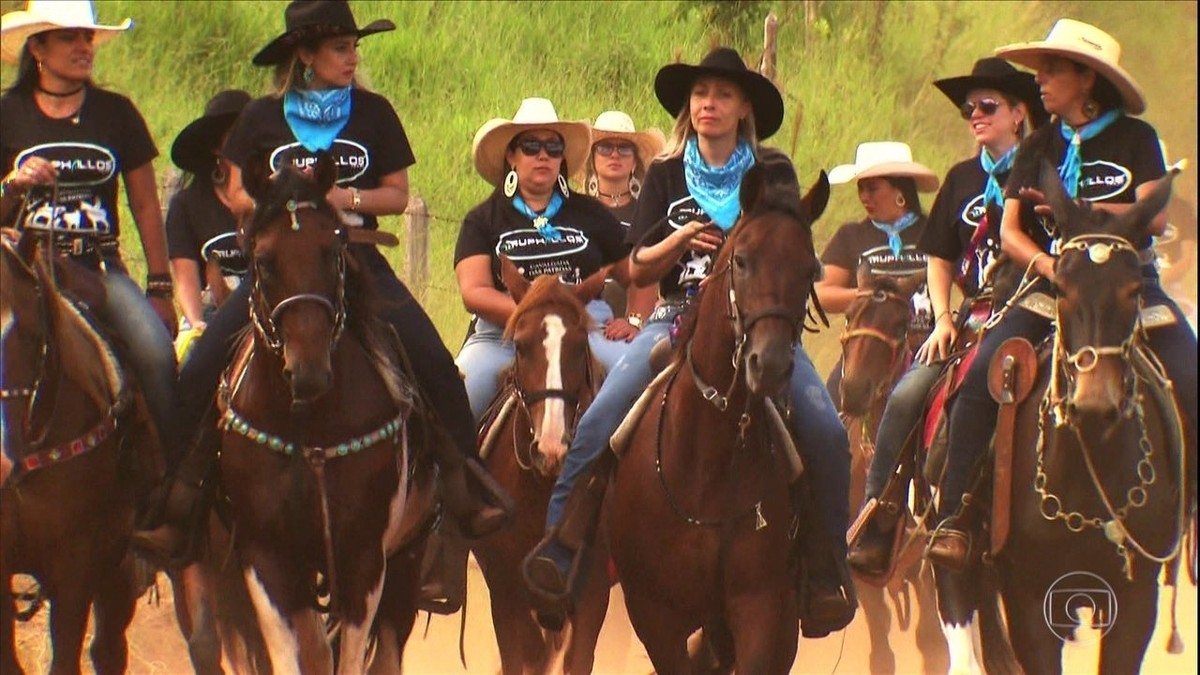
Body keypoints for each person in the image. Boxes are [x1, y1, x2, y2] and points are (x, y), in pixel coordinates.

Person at [133, 0, 506, 561]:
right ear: (305, 55)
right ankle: (178, 497)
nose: (352, 58)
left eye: (353, 47)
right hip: (284, 268)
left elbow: (397, 195)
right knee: (205, 360)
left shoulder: (373, 113)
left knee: (432, 358)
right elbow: (236, 193)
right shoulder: (262, 116)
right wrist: (291, 201)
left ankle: (463, 485)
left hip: (357, 260)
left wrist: (340, 197)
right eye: (340, 48)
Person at [526, 46, 857, 638]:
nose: (709, 104)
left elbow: (792, 246)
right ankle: (562, 547)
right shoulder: (665, 174)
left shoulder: (774, 171)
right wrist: (677, 240)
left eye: (723, 95)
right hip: (676, 315)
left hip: (761, 322)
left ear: (744, 107)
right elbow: (637, 267)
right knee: (601, 417)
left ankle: (826, 567)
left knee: (827, 433)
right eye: (701, 94)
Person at [925, 19, 1199, 569]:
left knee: (1189, 371)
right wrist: (1052, 266)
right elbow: (1010, 232)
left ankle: (1190, 510)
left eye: (1051, 70)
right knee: (980, 378)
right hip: (1049, 287)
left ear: (1087, 78)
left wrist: (1081, 212)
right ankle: (954, 515)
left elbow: (1155, 215)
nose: (1040, 80)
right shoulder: (1038, 144)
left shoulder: (1136, 138)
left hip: (1128, 284)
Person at [847, 58, 1047, 575]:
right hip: (974, 316)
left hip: (1042, 308)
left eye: (987, 106)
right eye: (968, 108)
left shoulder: (1051, 168)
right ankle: (880, 518)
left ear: (1019, 114)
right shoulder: (961, 178)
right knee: (906, 394)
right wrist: (941, 318)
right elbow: (938, 257)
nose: (974, 115)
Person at [0, 0, 179, 458]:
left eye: (88, 37)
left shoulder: (117, 113)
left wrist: (160, 286)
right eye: (69, 38)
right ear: (37, 47)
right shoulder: (7, 113)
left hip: (97, 268)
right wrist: (13, 183)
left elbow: (145, 204)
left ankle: (176, 473)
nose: (84, 46)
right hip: (20, 270)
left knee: (156, 353)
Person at [455, 97, 634, 422]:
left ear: (561, 157)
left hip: (586, 329)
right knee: (458, 397)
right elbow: (474, 291)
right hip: (503, 334)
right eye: (531, 146)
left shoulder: (591, 214)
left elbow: (636, 274)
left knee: (636, 382)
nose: (543, 155)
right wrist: (535, 316)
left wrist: (635, 319)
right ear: (511, 155)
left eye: (553, 148)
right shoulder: (483, 219)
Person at [816, 141, 939, 397]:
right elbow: (823, 294)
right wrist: (870, 298)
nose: (864, 197)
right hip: (867, 351)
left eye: (872, 188)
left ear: (900, 189)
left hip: (928, 345)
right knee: (829, 406)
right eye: (861, 188)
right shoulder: (851, 235)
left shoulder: (934, 231)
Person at [165, 89, 251, 351]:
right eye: (236, 136)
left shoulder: (274, 195)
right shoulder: (187, 205)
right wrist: (197, 323)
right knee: (185, 358)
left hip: (269, 310)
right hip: (213, 313)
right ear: (217, 147)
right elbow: (186, 277)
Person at [579, 109, 664, 334]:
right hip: (582, 311)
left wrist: (637, 319)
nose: (614, 155)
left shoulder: (651, 211)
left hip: (640, 313)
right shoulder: (577, 210)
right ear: (592, 158)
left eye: (624, 148)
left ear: (635, 162)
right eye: (605, 148)